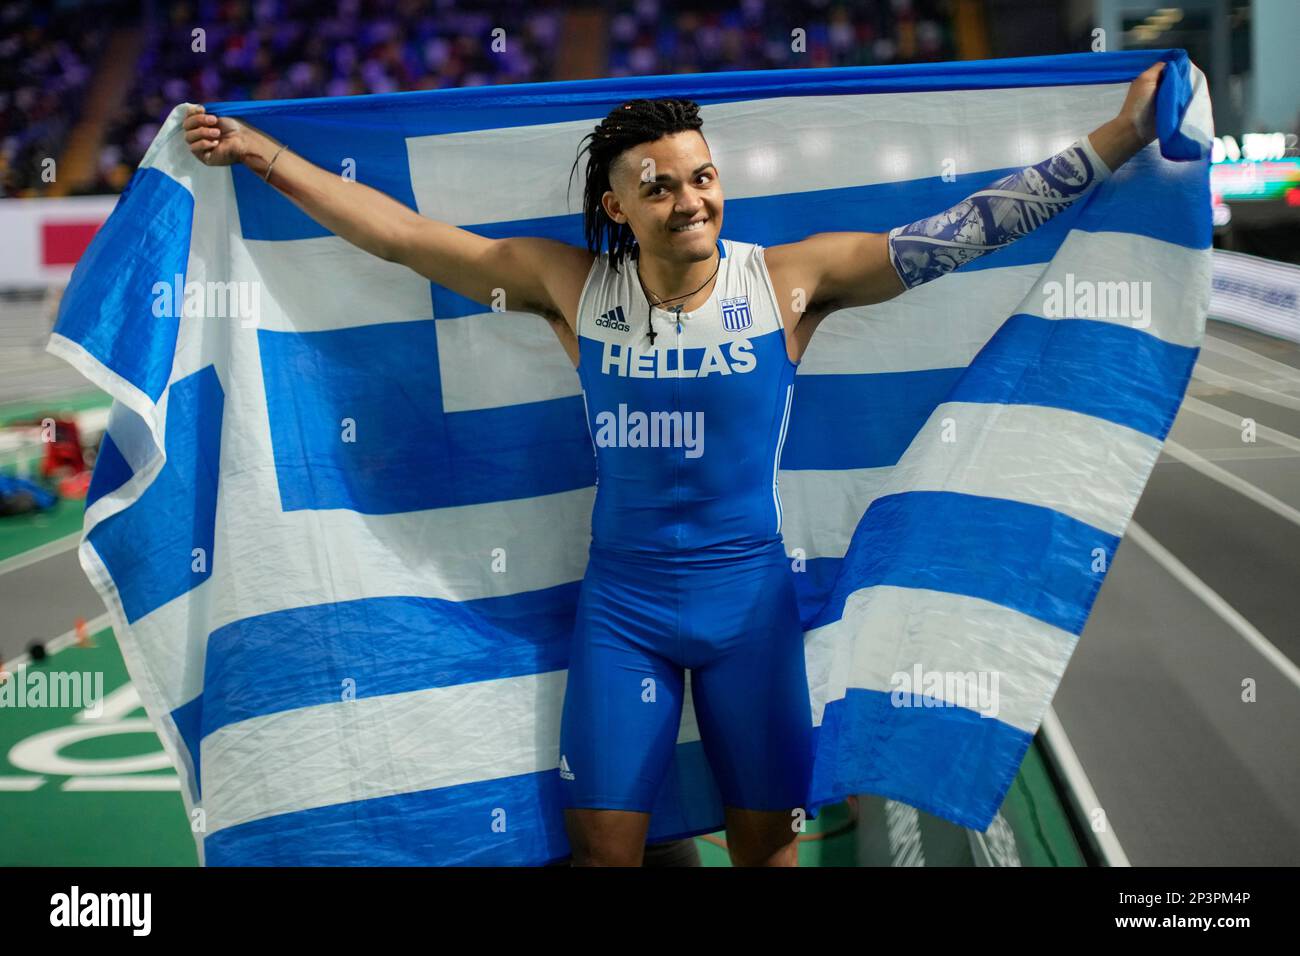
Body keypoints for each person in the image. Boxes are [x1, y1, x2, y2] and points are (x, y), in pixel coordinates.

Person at [183, 61, 1164, 867]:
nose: (688, 198)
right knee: (603, 849)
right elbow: (399, 238)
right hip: (624, 611)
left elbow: (958, 235)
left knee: (767, 854)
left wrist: (1115, 140)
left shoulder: (788, 281)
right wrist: (267, 155)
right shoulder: (566, 286)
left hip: (750, 609)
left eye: (700, 177)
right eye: (658, 185)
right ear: (616, 205)